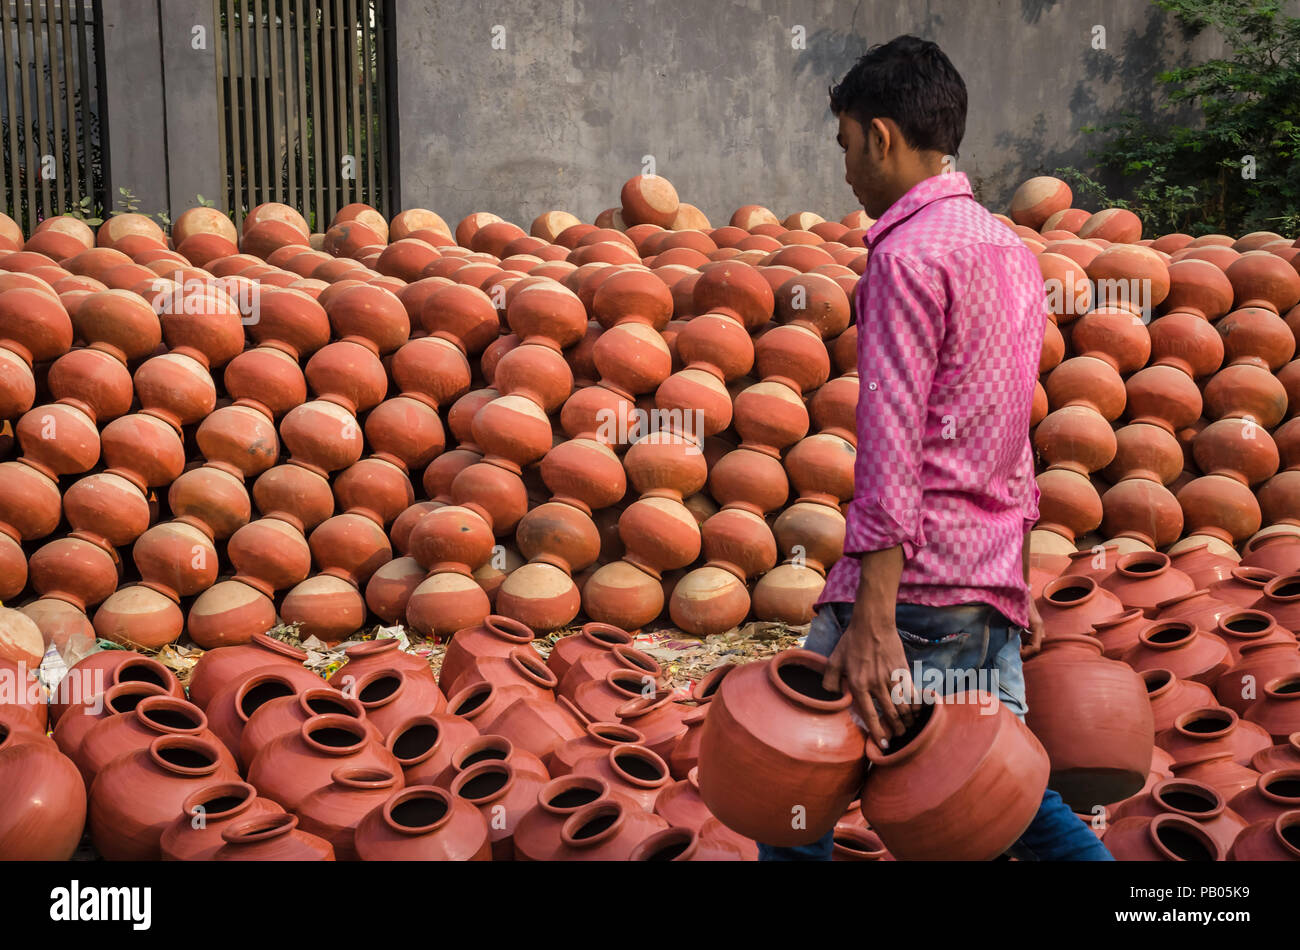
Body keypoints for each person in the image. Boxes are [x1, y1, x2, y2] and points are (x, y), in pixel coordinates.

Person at [758, 35, 1111, 861]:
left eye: (846, 144)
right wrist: (1013, 580)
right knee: (1003, 797)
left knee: (790, 781)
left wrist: (873, 621)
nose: (846, 169)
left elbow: (890, 451)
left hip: (912, 591)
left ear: (881, 137)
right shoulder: (1010, 251)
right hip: (982, 583)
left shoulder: (905, 256)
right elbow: (1010, 435)